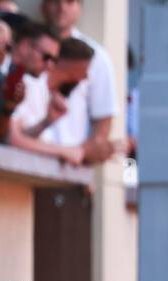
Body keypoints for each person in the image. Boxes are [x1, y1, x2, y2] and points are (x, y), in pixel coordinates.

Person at [40, 0, 118, 165]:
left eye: (70, 1)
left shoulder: (97, 57)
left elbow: (103, 126)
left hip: (69, 169)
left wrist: (81, 155)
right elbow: (15, 137)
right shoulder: (27, 54)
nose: (61, 8)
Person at [7, 36, 97, 165]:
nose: (86, 76)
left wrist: (46, 122)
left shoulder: (47, 94)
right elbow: (12, 139)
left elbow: (22, 136)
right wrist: (64, 151)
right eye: (86, 69)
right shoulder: (29, 85)